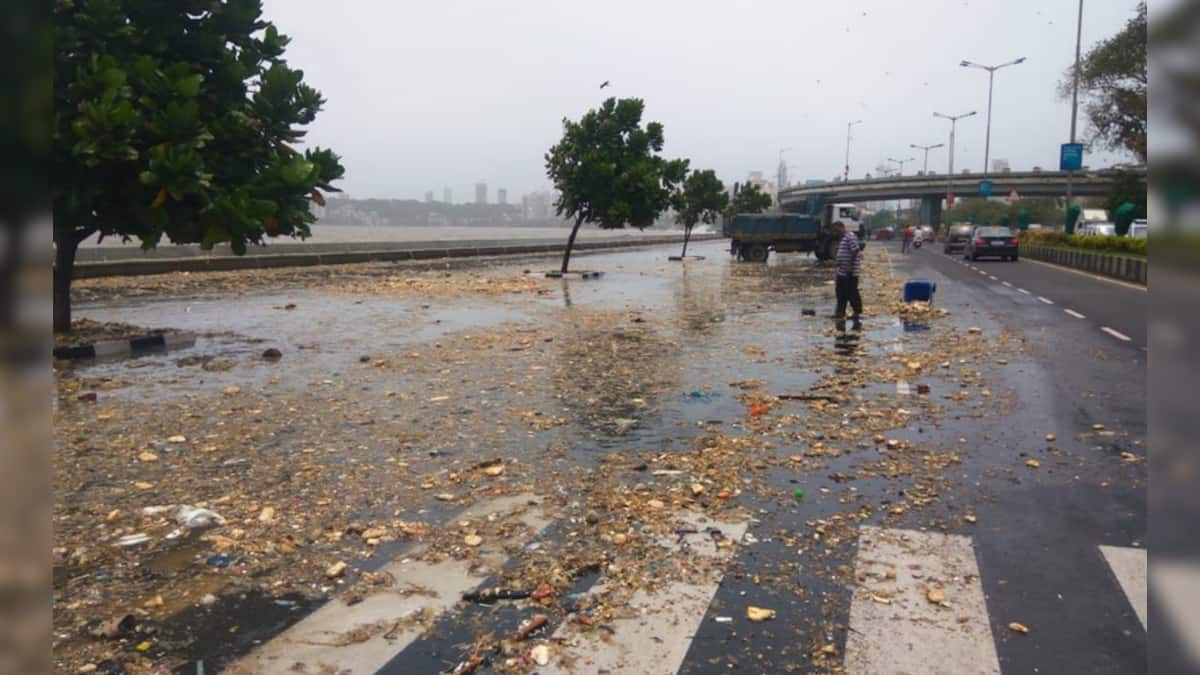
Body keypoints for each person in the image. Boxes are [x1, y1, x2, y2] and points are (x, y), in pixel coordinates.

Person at [832, 222, 863, 320]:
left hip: (850, 272)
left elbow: (855, 250)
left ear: (842, 227)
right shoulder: (843, 238)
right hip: (842, 271)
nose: (836, 233)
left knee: (851, 292)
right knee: (840, 292)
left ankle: (856, 312)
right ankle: (840, 312)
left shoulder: (850, 236)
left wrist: (849, 265)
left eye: (837, 230)